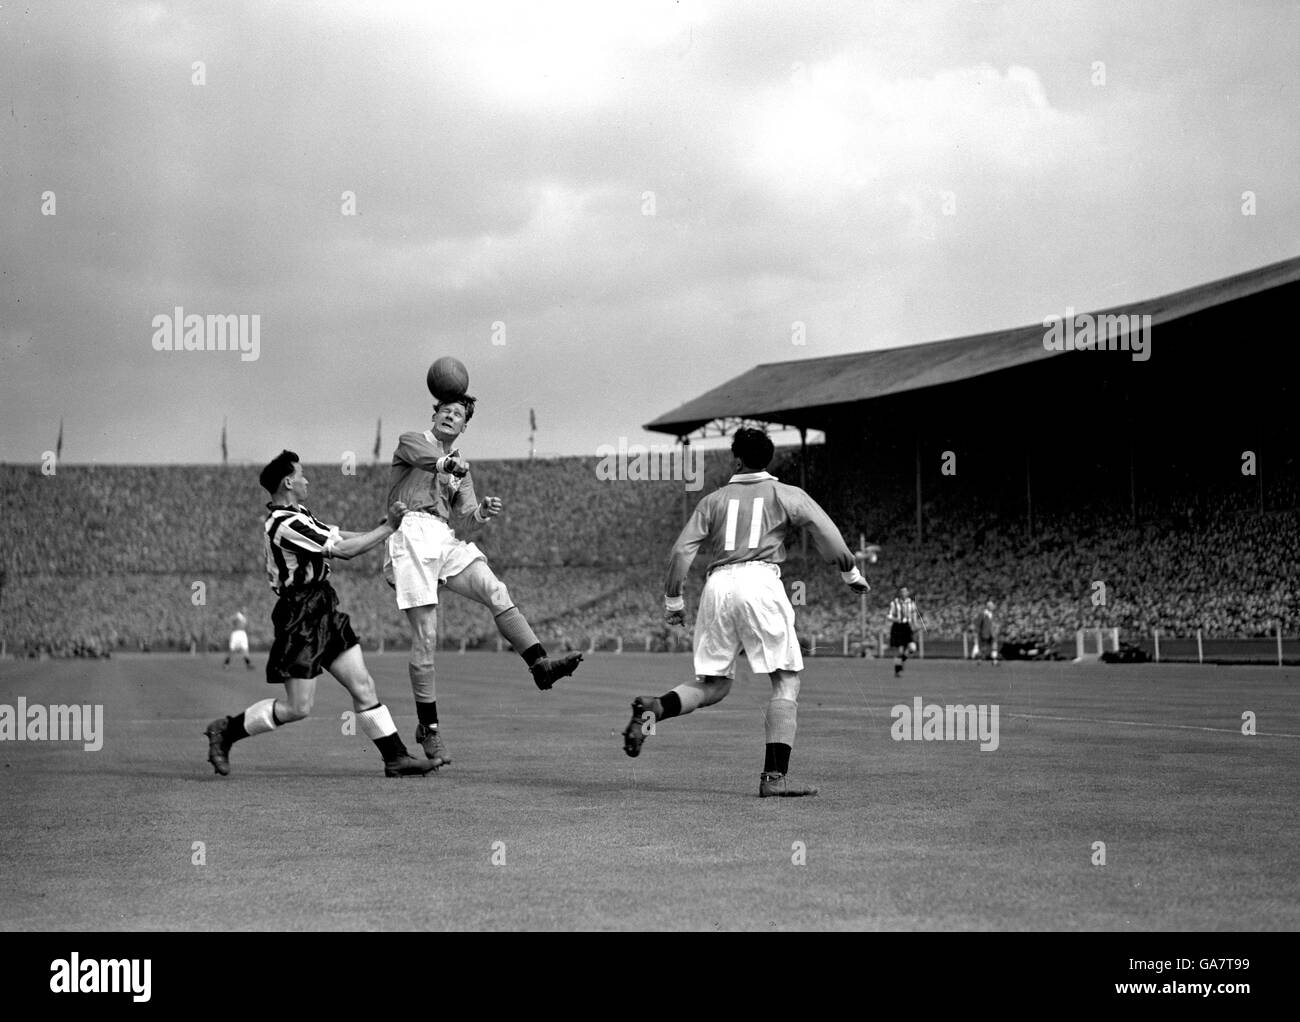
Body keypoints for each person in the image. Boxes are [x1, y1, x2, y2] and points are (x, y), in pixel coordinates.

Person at [621, 427, 869, 798]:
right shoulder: (788, 494)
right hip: (760, 582)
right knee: (786, 681)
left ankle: (655, 708)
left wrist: (674, 599)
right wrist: (849, 571)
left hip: (717, 585)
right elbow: (825, 530)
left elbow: (681, 550)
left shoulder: (713, 500)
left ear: (737, 459)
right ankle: (774, 779)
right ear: (768, 459)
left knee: (714, 685)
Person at [203, 450, 436, 778]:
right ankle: (225, 731)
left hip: (323, 606)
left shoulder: (300, 514)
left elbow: (339, 536)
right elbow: (343, 551)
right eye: (302, 474)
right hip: (299, 614)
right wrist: (386, 531)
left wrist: (387, 528)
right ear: (288, 481)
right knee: (298, 708)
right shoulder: (284, 523)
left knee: (364, 686)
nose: (306, 479)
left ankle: (396, 758)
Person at [385, 395, 582, 767]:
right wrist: (449, 465)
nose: (450, 415)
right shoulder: (411, 441)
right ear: (434, 414)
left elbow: (466, 516)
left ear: (463, 427)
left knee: (496, 589)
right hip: (410, 532)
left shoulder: (463, 468)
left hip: (442, 536)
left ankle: (540, 665)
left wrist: (482, 511)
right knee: (426, 637)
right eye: (445, 410)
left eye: (458, 414)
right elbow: (432, 460)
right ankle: (429, 727)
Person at [887, 585, 923, 677]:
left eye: (905, 591)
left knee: (912, 648)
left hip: (907, 627)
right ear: (899, 593)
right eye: (902, 591)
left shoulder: (911, 603)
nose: (903, 593)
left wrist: (917, 626)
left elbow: (914, 618)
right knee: (899, 651)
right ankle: (897, 671)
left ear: (907, 593)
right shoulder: (894, 603)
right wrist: (896, 619)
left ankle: (900, 662)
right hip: (897, 627)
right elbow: (889, 616)